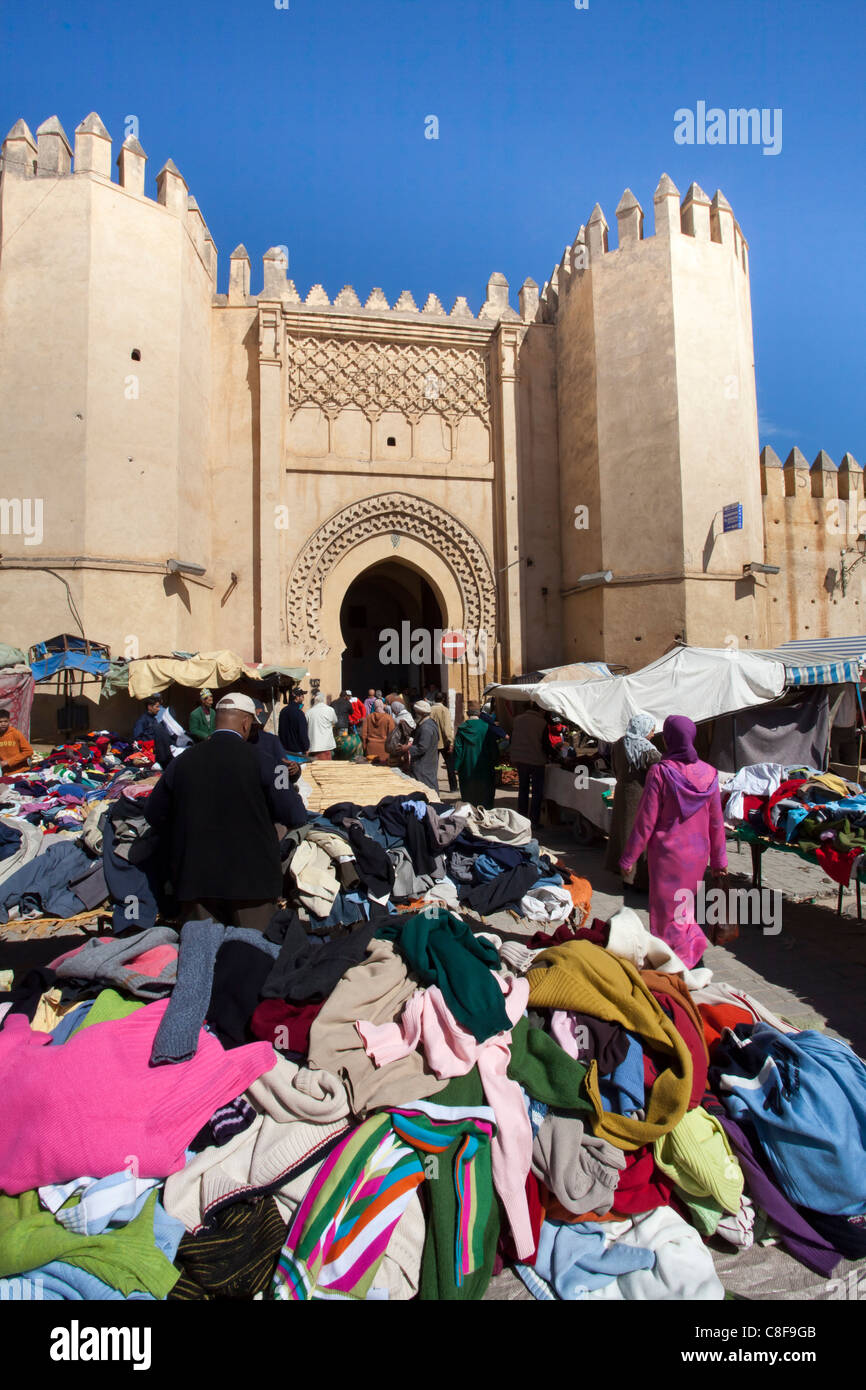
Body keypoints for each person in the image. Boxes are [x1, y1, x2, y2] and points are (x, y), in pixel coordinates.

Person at [143, 692, 305, 931]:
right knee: (253, 957)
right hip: (252, 883)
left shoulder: (182, 762)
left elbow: (154, 814)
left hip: (195, 882)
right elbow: (295, 815)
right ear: (246, 723)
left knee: (201, 958)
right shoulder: (267, 763)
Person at [620, 714, 727, 969]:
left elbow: (646, 820)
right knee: (685, 910)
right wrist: (719, 860)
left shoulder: (661, 772)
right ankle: (692, 958)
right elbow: (716, 823)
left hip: (668, 857)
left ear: (668, 739)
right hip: (697, 857)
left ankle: (677, 964)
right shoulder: (710, 774)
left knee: (667, 916)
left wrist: (628, 858)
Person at [605, 711, 662, 891]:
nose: (652, 734)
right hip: (642, 795)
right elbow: (659, 774)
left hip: (622, 793)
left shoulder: (619, 744)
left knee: (624, 833)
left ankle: (624, 874)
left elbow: (614, 768)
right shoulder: (648, 750)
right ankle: (639, 879)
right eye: (651, 730)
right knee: (641, 835)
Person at [453, 701, 500, 809]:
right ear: (479, 713)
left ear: (468, 713)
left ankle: (470, 814)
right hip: (485, 765)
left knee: (469, 792)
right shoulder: (487, 727)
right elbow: (493, 747)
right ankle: (486, 814)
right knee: (485, 792)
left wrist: (456, 766)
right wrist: (495, 761)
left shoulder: (462, 728)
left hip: (467, 766)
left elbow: (458, 749)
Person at [509, 701, 548, 828]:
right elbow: (545, 743)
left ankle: (521, 818)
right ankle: (534, 821)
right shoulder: (542, 723)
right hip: (536, 760)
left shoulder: (517, 720)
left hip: (521, 759)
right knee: (537, 792)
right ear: (541, 710)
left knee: (523, 789)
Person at [407, 700, 440, 791]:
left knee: (426, 787)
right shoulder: (429, 723)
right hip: (428, 761)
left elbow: (422, 748)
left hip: (424, 764)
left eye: (416, 712)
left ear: (421, 713)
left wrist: (408, 748)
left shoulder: (426, 728)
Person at [132, 696, 174, 766]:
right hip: (150, 754)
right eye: (157, 707)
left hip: (160, 752)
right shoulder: (142, 721)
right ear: (150, 707)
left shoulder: (154, 720)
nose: (159, 709)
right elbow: (137, 738)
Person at [429, 691, 458, 792]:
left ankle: (432, 787)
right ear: (443, 699)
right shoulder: (444, 710)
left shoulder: (430, 709)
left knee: (432, 766)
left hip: (432, 742)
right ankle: (453, 787)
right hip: (444, 742)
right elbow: (446, 727)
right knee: (450, 766)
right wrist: (450, 741)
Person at [278, 687, 310, 757]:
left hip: (285, 750)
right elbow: (302, 733)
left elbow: (280, 731)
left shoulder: (283, 711)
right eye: (302, 696)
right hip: (297, 751)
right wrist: (306, 748)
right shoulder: (299, 713)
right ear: (297, 697)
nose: (303, 698)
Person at [307, 691, 338, 760]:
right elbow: (335, 721)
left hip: (314, 745)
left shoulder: (309, 712)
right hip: (326, 744)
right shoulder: (330, 710)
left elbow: (305, 725)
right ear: (323, 700)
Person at [363, 697, 394, 764]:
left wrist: (364, 747)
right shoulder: (388, 718)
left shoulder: (369, 717)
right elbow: (392, 735)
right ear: (382, 706)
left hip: (370, 749)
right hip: (384, 750)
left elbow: (364, 734)